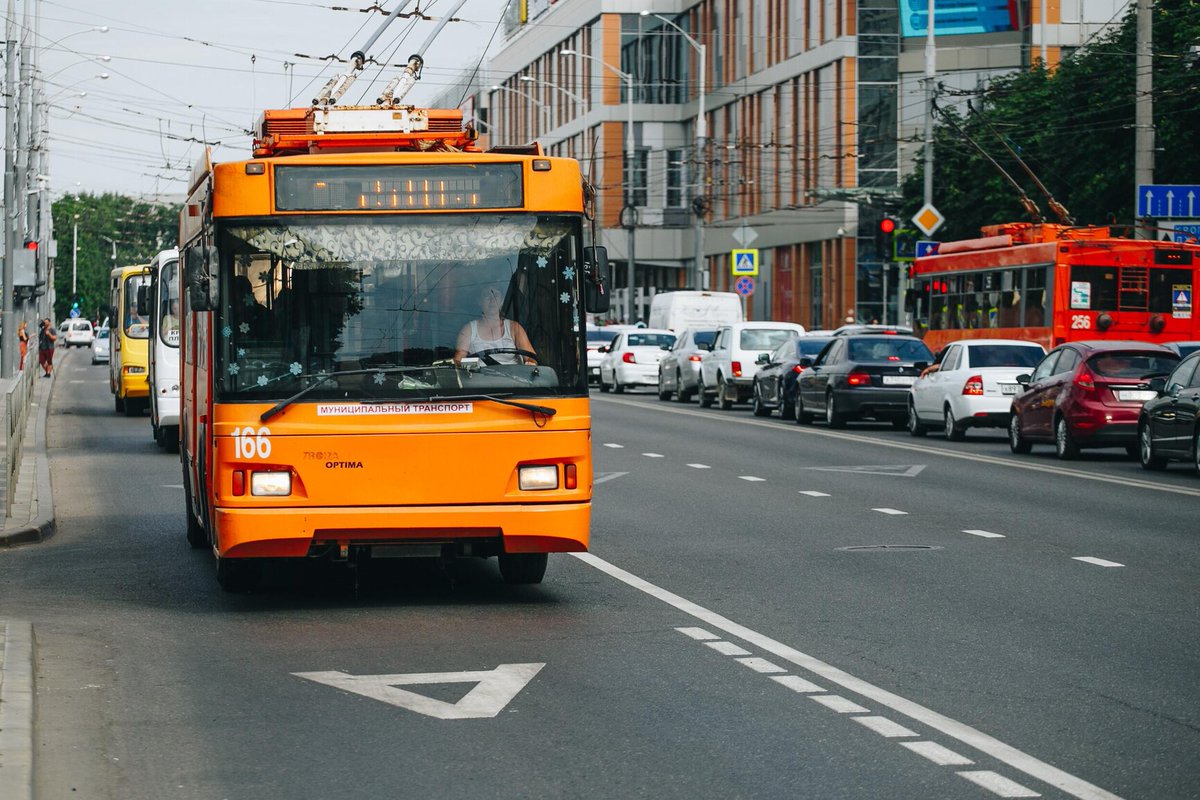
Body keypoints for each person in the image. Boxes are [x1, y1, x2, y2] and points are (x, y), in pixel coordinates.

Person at [453, 286, 536, 365]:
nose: (492, 299)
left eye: (496, 295)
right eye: (487, 295)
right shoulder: (469, 330)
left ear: (502, 300)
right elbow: (458, 361)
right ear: (479, 301)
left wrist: (530, 363)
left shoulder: (514, 328)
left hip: (512, 378)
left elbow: (531, 358)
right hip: (478, 378)